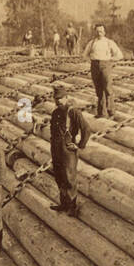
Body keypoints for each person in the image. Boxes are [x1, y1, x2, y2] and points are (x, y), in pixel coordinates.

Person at [47, 87, 93, 217]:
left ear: (66, 98)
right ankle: (64, 204)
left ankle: (72, 207)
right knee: (59, 176)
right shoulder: (55, 112)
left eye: (60, 98)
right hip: (56, 148)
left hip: (67, 150)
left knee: (69, 178)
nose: (58, 101)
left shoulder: (73, 112)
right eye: (56, 99)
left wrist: (79, 145)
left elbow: (86, 129)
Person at [80, 23, 124, 118]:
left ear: (104, 32)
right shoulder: (91, 43)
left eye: (101, 31)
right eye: (97, 31)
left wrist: (110, 60)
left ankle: (111, 110)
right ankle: (101, 113)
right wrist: (91, 61)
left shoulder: (109, 42)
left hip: (105, 65)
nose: (99, 33)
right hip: (94, 66)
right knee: (99, 90)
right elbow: (84, 55)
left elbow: (119, 55)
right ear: (95, 32)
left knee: (108, 88)